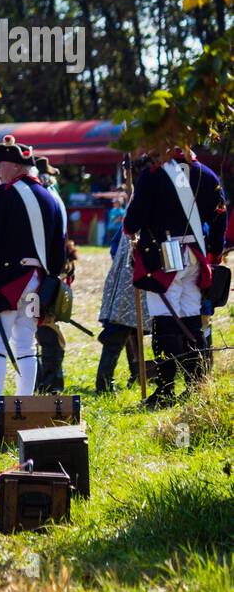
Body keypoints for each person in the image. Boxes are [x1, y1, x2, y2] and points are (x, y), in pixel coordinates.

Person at [0, 136, 67, 421]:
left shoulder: (4, 194)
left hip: (5, 281)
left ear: (16, 167)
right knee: (26, 344)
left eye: (2, 166)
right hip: (37, 283)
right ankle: (24, 407)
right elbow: (59, 250)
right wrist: (49, 281)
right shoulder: (51, 198)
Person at [124, 146, 227, 408]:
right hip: (195, 254)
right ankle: (195, 385)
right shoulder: (207, 175)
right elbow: (219, 216)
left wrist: (130, 226)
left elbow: (133, 222)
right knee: (191, 316)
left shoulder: (153, 176)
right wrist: (214, 251)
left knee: (163, 317)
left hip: (162, 256)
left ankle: (166, 389)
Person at [97, 163, 150, 394]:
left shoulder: (147, 202)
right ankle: (104, 385)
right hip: (126, 280)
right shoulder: (136, 204)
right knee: (118, 334)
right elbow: (116, 245)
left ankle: (138, 375)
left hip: (138, 278)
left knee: (132, 333)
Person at [33, 156, 73, 394]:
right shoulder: (50, 193)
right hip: (55, 267)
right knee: (43, 326)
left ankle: (51, 382)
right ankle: (46, 380)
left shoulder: (45, 196)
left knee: (46, 326)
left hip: (49, 270)